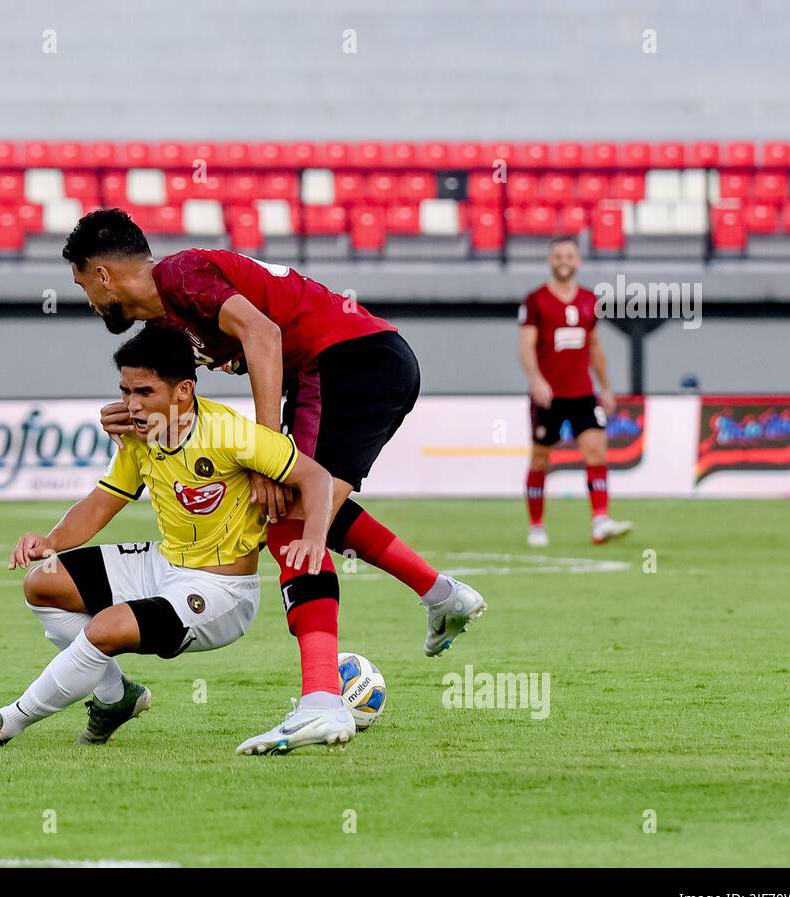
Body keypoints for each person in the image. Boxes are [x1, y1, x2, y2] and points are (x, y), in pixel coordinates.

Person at [58, 209, 486, 749]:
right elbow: (182, 408)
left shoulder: (181, 275)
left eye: (82, 285)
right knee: (309, 511)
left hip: (343, 362)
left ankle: (322, 702)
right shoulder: (166, 326)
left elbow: (264, 332)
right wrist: (128, 416)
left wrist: (267, 451)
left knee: (287, 517)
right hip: (364, 362)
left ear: (101, 275)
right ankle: (441, 594)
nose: (89, 303)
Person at [0, 324, 353, 754]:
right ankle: (116, 698)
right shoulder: (141, 437)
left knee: (104, 629)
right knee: (43, 584)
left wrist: (314, 538)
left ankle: (4, 724)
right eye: (125, 390)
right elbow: (101, 501)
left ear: (183, 390)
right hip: (163, 564)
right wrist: (50, 540)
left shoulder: (231, 434)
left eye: (143, 392)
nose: (129, 404)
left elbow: (315, 477)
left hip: (220, 592)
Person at [518, 236, 633, 546]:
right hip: (549, 396)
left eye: (569, 255)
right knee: (541, 460)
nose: (564, 261)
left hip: (583, 392)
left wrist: (606, 387)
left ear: (578, 261)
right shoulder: (535, 301)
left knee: (596, 451)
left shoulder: (588, 300)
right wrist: (536, 379)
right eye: (558, 256)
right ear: (550, 260)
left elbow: (595, 347)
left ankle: (600, 521)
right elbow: (526, 346)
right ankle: (537, 526)